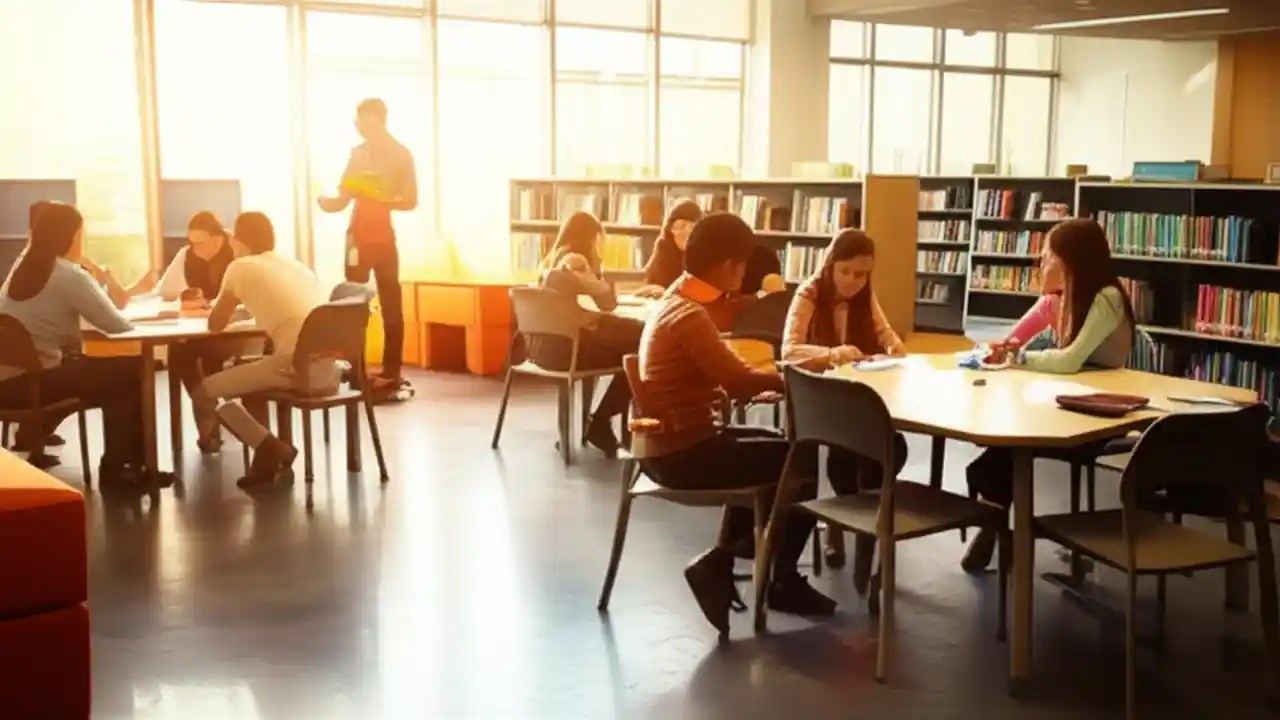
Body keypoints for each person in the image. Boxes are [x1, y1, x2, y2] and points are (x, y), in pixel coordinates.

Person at [638, 211, 835, 634]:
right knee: (799, 457)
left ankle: (732, 562)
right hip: (682, 453)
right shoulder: (690, 314)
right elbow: (740, 379)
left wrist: (747, 388)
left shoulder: (674, 298)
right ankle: (764, 575)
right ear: (731, 265)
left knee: (768, 445)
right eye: (743, 264)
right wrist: (800, 378)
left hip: (669, 444)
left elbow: (713, 380)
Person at [962, 218, 1136, 571]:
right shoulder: (1067, 300)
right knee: (1007, 445)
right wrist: (1011, 351)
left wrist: (1020, 357)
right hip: (1075, 407)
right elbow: (1037, 348)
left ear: (1070, 260)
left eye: (1047, 256)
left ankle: (994, 526)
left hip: (1099, 419)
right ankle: (995, 526)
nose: (1041, 264)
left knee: (1004, 451)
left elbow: (1070, 361)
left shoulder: (1108, 297)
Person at [0, 202, 173, 490]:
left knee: (107, 376)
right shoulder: (68, 274)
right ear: (72, 236)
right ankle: (121, 469)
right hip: (32, 383)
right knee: (130, 371)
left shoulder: (23, 265)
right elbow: (116, 325)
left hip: (7, 383)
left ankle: (123, 466)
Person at [782, 229, 909, 572]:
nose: (853, 281)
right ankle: (841, 522)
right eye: (846, 272)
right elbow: (789, 351)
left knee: (890, 447)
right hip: (820, 394)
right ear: (830, 265)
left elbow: (883, 331)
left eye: (862, 274)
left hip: (858, 391)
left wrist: (894, 346)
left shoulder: (864, 295)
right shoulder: (808, 293)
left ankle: (862, 516)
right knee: (849, 448)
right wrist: (832, 354)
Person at [194, 212, 333, 494]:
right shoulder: (297, 266)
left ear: (239, 242)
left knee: (203, 392)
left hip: (294, 367)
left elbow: (215, 323)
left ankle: (272, 448)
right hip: (328, 368)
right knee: (251, 374)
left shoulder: (240, 266)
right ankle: (266, 460)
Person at [317, 98, 417, 393]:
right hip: (355, 237)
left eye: (365, 121)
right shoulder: (357, 153)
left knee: (391, 307)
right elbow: (344, 196)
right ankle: (354, 369)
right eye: (357, 122)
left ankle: (391, 371)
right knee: (351, 306)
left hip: (383, 239)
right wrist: (327, 203)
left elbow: (411, 200)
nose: (359, 127)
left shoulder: (401, 155)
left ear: (380, 119)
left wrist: (379, 195)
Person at [530, 211, 642, 457]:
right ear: (592, 238)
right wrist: (598, 268)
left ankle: (592, 425)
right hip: (567, 350)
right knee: (641, 351)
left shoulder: (551, 261)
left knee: (632, 348)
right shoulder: (576, 261)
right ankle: (600, 421)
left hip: (544, 348)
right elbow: (607, 303)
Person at [156, 211, 252, 453]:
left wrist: (219, 307)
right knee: (179, 353)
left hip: (236, 331)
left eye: (199, 242)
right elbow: (165, 290)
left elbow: (250, 297)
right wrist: (186, 297)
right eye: (191, 242)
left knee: (204, 357)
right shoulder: (187, 254)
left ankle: (209, 421)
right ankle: (208, 421)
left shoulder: (237, 252)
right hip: (202, 327)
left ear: (218, 238)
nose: (193, 247)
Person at [635, 200, 703, 298]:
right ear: (670, 230)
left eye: (693, 227)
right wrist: (651, 290)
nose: (687, 231)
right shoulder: (663, 247)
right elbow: (651, 283)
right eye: (681, 226)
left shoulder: (707, 256)